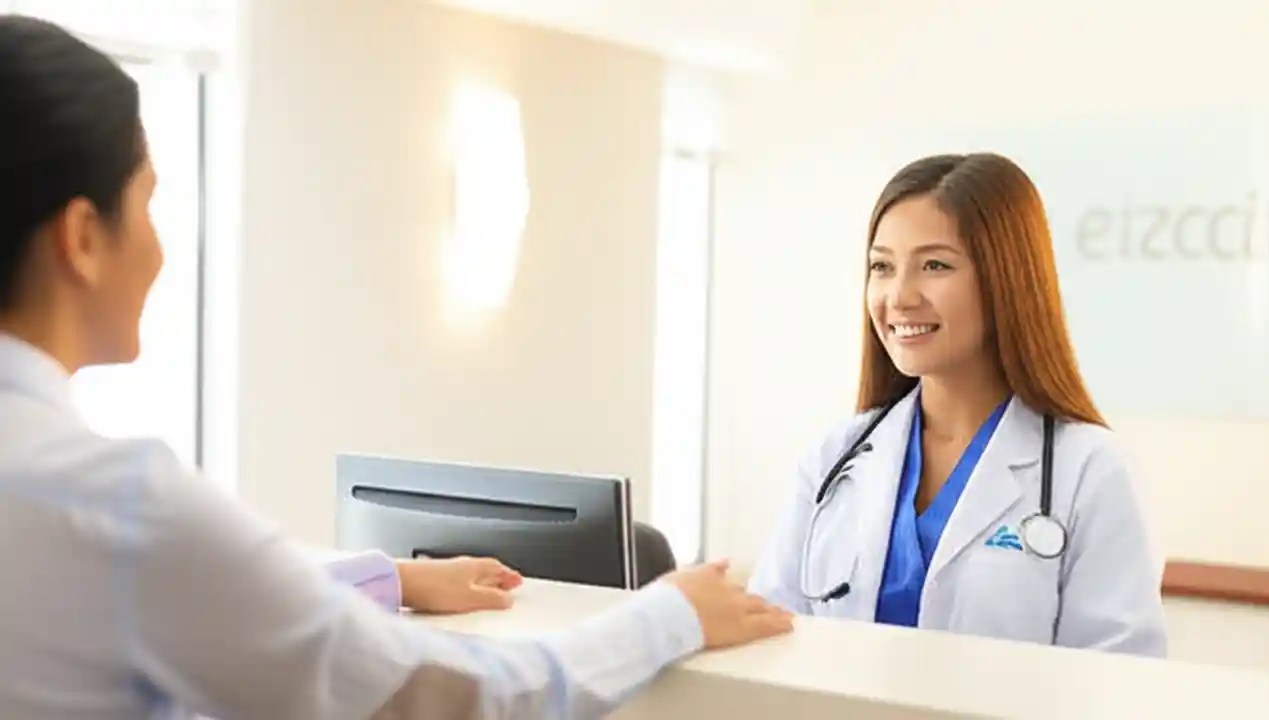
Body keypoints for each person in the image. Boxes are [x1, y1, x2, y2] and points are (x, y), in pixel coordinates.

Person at [0, 15, 793, 719]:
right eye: (147, 203)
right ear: (81, 237)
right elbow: (461, 697)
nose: (160, 248)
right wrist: (671, 614)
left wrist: (389, 581)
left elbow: (185, 600)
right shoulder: (119, 507)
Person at [748, 153, 1167, 656]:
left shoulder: (1091, 471)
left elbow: (1118, 682)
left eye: (935, 266)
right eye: (882, 266)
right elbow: (769, 640)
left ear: (1005, 280)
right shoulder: (835, 457)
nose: (899, 296)